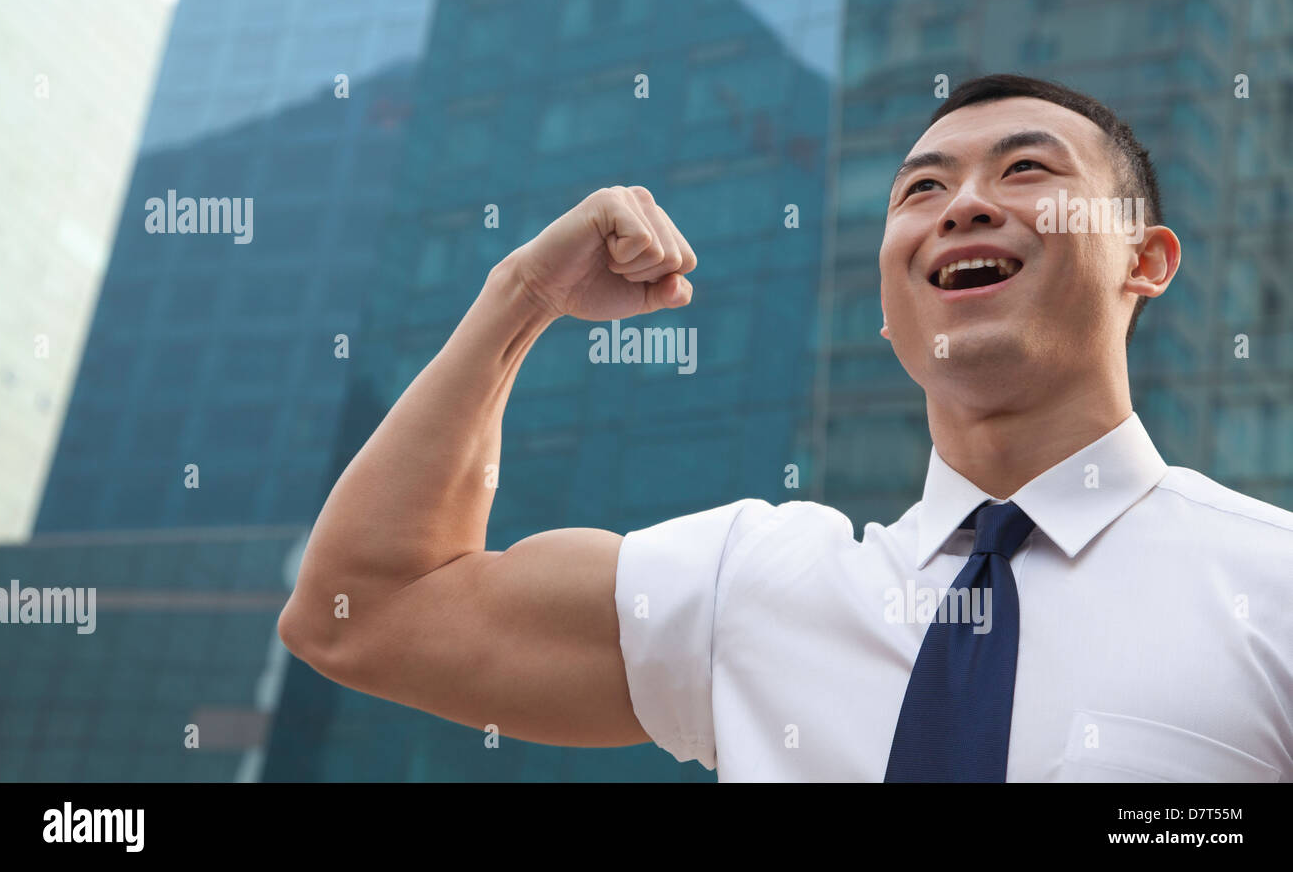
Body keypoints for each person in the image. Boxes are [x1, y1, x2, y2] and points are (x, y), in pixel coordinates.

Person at [278, 74, 1292, 782]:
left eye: (1028, 171)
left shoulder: (1270, 584)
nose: (964, 204)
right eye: (922, 189)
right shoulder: (756, 588)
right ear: (888, 307)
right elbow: (360, 610)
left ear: (1146, 259)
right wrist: (520, 295)